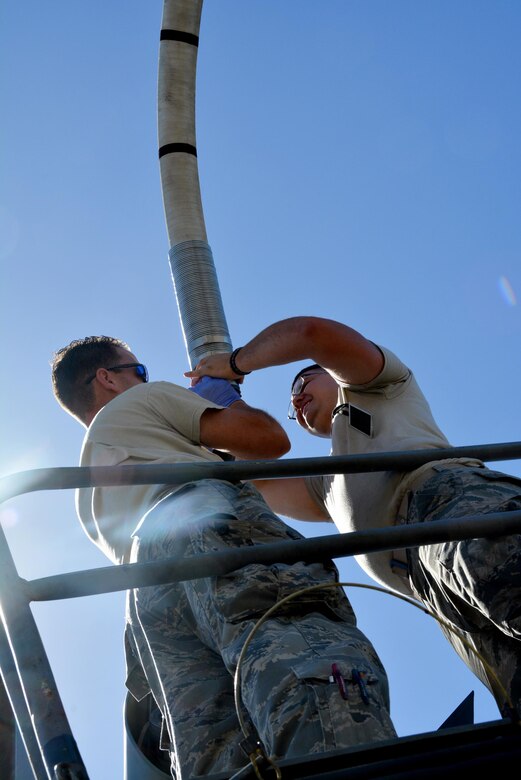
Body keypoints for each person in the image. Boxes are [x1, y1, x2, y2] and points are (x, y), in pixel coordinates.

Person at [51, 335, 397, 780]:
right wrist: (226, 403)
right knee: (301, 660)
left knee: (216, 748)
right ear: (107, 379)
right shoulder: (147, 401)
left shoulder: (90, 476)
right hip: (207, 524)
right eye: (139, 372)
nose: (146, 380)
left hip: (147, 591)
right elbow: (267, 440)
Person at [186, 315, 521, 722]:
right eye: (291, 402)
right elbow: (250, 483)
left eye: (302, 383)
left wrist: (236, 364)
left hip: (453, 508)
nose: (295, 400)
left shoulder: (379, 388)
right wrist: (222, 409)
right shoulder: (326, 484)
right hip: (435, 590)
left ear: (331, 372)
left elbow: (314, 335)